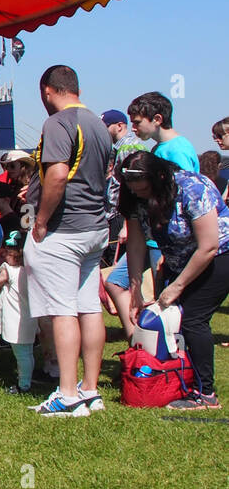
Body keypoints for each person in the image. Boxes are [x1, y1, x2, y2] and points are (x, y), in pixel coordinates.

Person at [23, 65, 111, 417]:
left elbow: (57, 175)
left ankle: (67, 392)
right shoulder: (99, 126)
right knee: (88, 307)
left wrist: (40, 221)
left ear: (47, 90)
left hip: (65, 230)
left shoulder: (58, 123)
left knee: (62, 311)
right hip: (95, 228)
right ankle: (90, 389)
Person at [118, 152, 229, 410]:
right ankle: (175, 378)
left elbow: (209, 246)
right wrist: (135, 289)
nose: (139, 195)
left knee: (192, 319)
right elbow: (135, 246)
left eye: (143, 189)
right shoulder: (135, 197)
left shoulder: (191, 186)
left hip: (219, 255)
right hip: (178, 259)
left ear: (159, 177)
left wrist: (176, 287)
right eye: (134, 190)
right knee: (172, 321)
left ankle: (206, 394)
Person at [100, 109, 154, 338]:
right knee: (116, 278)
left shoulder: (130, 148)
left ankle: (144, 330)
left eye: (106, 126)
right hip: (124, 216)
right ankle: (136, 336)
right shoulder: (120, 148)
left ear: (118, 125)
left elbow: (131, 189)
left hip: (130, 219)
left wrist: (125, 224)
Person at [0, 231, 35, 394]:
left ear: (14, 256)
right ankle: (27, 378)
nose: (5, 257)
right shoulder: (31, 271)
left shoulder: (9, 270)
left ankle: (24, 384)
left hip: (16, 320)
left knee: (21, 354)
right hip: (29, 318)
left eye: (7, 254)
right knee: (28, 352)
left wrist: (1, 282)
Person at [127, 92, 199, 173]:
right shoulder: (160, 148)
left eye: (137, 122)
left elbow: (185, 184)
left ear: (157, 120)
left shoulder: (177, 150)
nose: (133, 128)